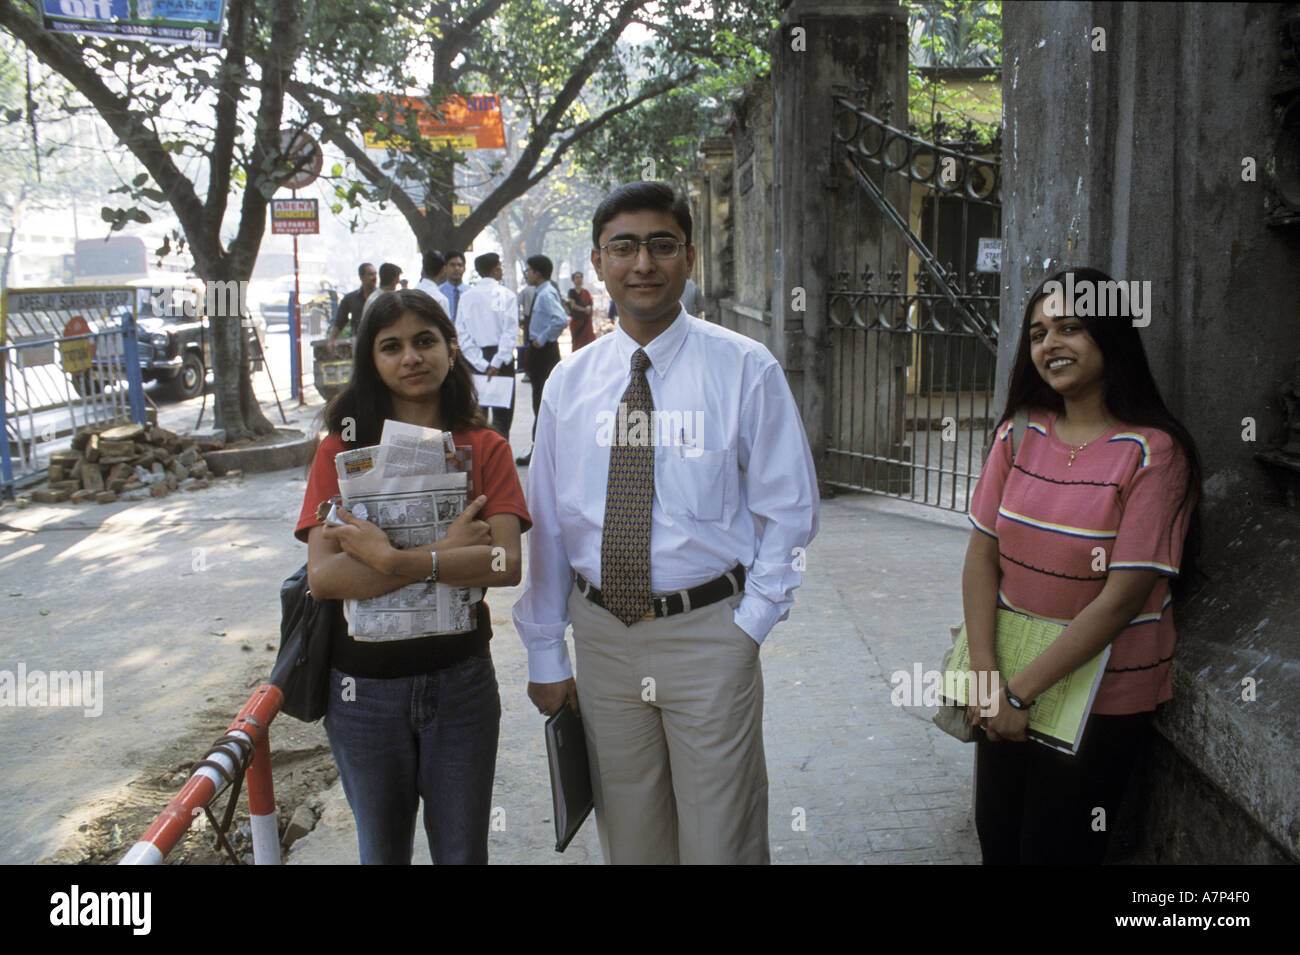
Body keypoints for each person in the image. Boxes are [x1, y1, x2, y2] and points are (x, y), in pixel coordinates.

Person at [512, 181, 819, 864]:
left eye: (661, 245)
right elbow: (553, 527)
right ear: (599, 261)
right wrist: (545, 650)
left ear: (689, 256)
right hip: (602, 638)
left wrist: (752, 623)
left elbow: (789, 509)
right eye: (624, 247)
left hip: (709, 635)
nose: (642, 263)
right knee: (632, 839)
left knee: (722, 839)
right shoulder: (570, 381)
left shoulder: (745, 368)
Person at [961, 266, 1202, 865]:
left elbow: (1123, 599)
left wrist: (1019, 695)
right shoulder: (1017, 434)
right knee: (998, 841)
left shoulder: (1155, 453)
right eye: (1039, 333)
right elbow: (981, 554)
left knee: (1057, 851)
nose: (1050, 345)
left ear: (1110, 337)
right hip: (1008, 681)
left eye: (1071, 328)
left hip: (1102, 697)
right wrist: (990, 681)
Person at [294, 289, 530, 865]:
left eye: (425, 341)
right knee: (381, 854)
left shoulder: (485, 448)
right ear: (370, 361)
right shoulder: (340, 452)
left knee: (462, 855)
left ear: (450, 349)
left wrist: (393, 559)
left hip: (461, 685)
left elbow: (504, 564)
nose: (411, 358)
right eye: (391, 346)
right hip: (361, 693)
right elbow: (324, 578)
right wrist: (446, 553)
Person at [456, 253, 519, 441]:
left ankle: (482, 463)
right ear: (496, 270)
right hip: (502, 361)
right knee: (502, 419)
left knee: (478, 418)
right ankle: (502, 461)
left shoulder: (466, 297)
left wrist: (481, 363)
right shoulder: (507, 295)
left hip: (475, 360)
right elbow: (510, 332)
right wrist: (497, 362)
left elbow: (462, 334)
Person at [513, 255, 567, 466]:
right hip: (540, 351)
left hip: (544, 352)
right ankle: (541, 449)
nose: (526, 274)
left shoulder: (545, 294)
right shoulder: (542, 292)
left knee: (542, 400)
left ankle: (540, 451)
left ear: (537, 272)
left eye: (528, 270)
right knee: (541, 398)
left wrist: (541, 339)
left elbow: (561, 319)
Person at [326, 262, 377, 356]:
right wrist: (331, 340)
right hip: (359, 342)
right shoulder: (351, 298)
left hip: (378, 341)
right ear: (361, 277)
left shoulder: (381, 297)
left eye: (375, 274)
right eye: (370, 274)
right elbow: (340, 321)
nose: (374, 277)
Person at [414, 249, 452, 317]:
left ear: (423, 268)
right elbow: (445, 327)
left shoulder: (409, 294)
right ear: (443, 269)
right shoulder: (440, 300)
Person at [566, 271, 596, 350]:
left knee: (588, 343)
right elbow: (573, 306)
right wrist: (585, 309)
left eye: (580, 277)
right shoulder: (571, 292)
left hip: (586, 322)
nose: (579, 279)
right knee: (577, 344)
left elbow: (590, 304)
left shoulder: (586, 292)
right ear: (573, 280)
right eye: (576, 277)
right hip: (576, 322)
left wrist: (589, 308)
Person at [439, 251, 469, 322]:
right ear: (445, 268)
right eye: (452, 265)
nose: (456, 268)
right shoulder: (439, 292)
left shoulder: (470, 293)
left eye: (460, 265)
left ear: (464, 268)